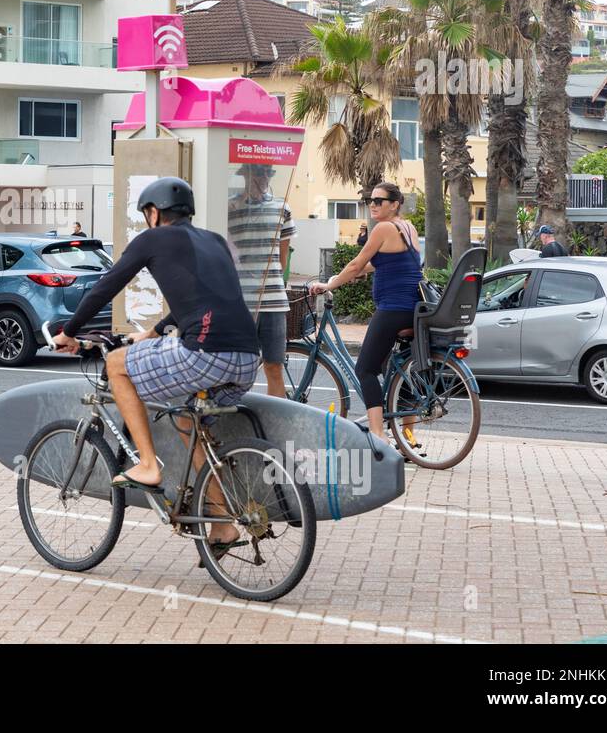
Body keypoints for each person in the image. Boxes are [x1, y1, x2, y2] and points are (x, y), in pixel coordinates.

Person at [53, 177, 260, 548]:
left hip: (205, 353)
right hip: (247, 357)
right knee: (185, 417)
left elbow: (107, 286)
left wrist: (70, 331)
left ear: (153, 212)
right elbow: (207, 298)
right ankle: (223, 523)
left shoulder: (152, 239)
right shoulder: (213, 241)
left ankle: (147, 464)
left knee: (117, 363)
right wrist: (153, 332)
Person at [308, 182, 421, 440]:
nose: (372, 204)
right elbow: (389, 261)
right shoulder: (408, 227)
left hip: (393, 308)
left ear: (395, 204)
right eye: (370, 200)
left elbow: (358, 262)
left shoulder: (383, 227)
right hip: (411, 307)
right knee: (398, 370)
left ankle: (378, 435)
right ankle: (409, 437)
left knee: (365, 370)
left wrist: (330, 283)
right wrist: (356, 272)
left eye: (379, 201)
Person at [227, 163, 297, 397]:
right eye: (258, 171)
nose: (265, 176)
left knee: (274, 365)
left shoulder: (282, 208)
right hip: (240, 300)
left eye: (269, 172)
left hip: (274, 300)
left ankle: (274, 428)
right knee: (236, 368)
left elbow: (282, 257)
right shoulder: (230, 207)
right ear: (245, 175)